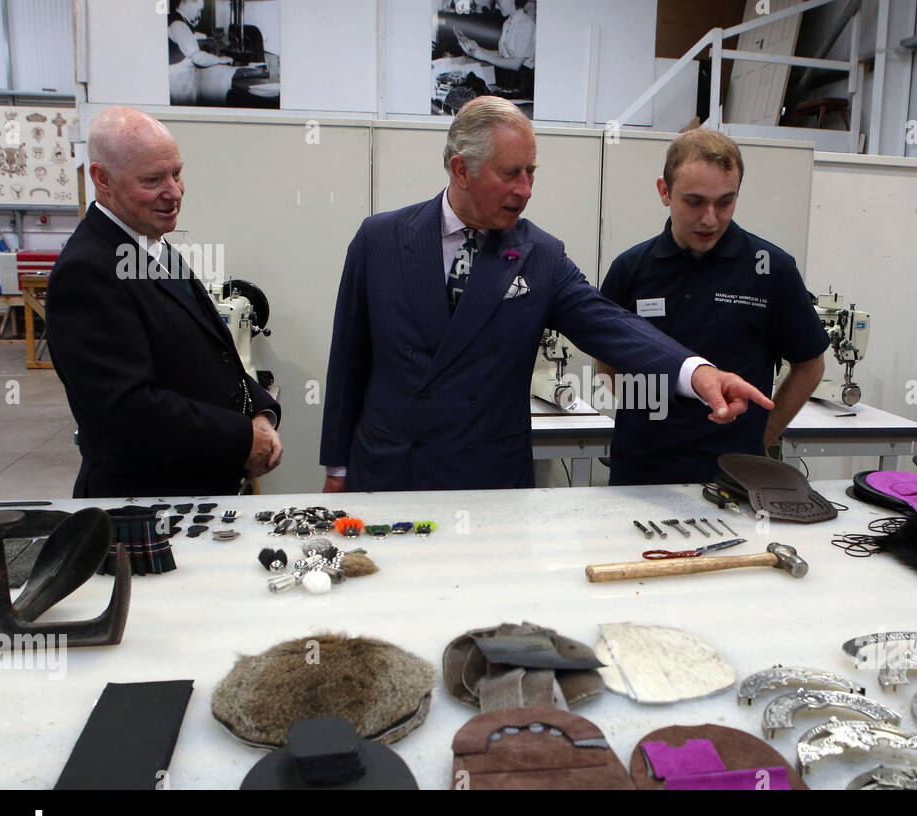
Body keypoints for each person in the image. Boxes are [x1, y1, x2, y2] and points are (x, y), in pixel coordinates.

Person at [319, 96, 771, 492]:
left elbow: (611, 325)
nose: (525, 190)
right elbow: (348, 362)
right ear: (461, 170)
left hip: (487, 482)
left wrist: (697, 373)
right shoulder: (380, 240)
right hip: (389, 474)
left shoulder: (540, 255)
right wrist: (337, 468)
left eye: (531, 172)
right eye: (510, 173)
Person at [46, 106, 282, 498]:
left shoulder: (150, 244)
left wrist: (260, 413)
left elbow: (215, 355)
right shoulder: (87, 271)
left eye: (176, 173)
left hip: (197, 486)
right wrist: (242, 438)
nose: (173, 192)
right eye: (152, 180)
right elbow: (127, 410)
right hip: (145, 503)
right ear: (102, 179)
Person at [596, 129, 829, 486]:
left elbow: (810, 365)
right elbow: (606, 361)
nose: (710, 219)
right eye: (694, 202)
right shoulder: (631, 269)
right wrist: (649, 418)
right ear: (664, 191)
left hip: (733, 474)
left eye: (725, 202)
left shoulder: (771, 269)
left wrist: (759, 439)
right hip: (640, 470)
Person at [455, 0, 535, 97]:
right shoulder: (508, 22)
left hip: (520, 86)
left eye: (499, 2)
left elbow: (515, 64)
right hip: (506, 81)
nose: (496, 6)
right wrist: (477, 49)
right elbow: (502, 55)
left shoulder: (525, 24)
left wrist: (483, 55)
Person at [168, 0, 233, 106]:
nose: (199, 15)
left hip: (180, 78)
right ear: (188, 3)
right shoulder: (178, 24)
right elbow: (197, 57)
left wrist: (209, 38)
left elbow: (191, 35)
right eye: (198, 10)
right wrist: (220, 60)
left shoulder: (177, 19)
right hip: (179, 81)